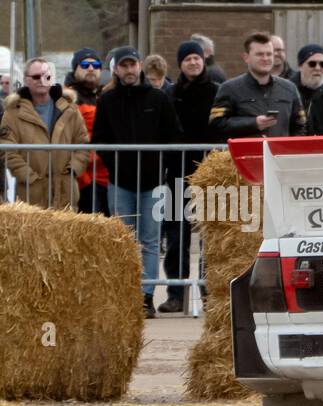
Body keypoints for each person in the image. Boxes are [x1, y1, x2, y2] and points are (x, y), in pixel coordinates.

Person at [92, 46, 182, 317]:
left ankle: (146, 297)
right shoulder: (107, 100)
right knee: (123, 240)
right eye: (124, 65)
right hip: (120, 183)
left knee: (150, 241)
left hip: (153, 183)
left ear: (140, 65)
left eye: (133, 65)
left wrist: (160, 164)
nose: (129, 70)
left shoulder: (158, 98)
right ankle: (125, 295)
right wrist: (115, 163)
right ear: (116, 69)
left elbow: (173, 135)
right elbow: (99, 139)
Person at [159, 40, 219, 314]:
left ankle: (209, 291)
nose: (193, 63)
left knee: (210, 235)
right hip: (177, 173)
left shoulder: (217, 91)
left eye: (196, 58)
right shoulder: (170, 93)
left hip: (210, 173)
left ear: (203, 60)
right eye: (187, 59)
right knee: (176, 235)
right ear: (180, 64)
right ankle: (176, 293)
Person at [0, 57, 89, 210]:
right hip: (30, 195)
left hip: (65, 193)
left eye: (46, 76)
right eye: (36, 77)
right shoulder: (13, 112)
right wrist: (27, 175)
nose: (42, 80)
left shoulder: (71, 110)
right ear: (26, 80)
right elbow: (6, 149)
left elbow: (83, 145)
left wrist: (72, 169)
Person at [209, 32, 308, 141]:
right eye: (259, 54)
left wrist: (289, 148)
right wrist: (253, 123)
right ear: (246, 57)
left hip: (280, 152)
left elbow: (301, 126)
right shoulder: (229, 89)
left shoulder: (289, 88)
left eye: (269, 54)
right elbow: (216, 125)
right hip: (245, 151)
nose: (265, 58)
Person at [64, 47, 111, 214]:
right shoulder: (66, 99)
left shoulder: (104, 96)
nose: (91, 68)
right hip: (83, 178)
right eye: (85, 65)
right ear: (75, 69)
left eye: (96, 65)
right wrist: (82, 177)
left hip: (107, 177)